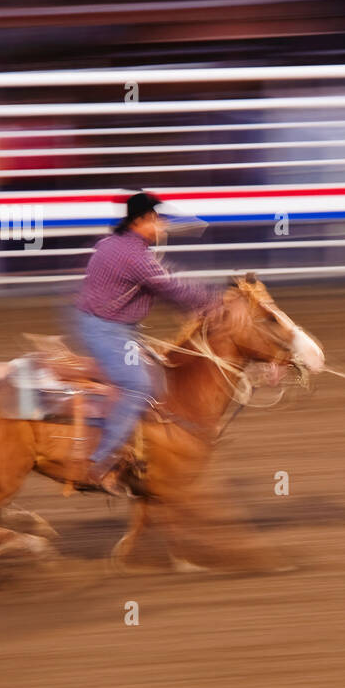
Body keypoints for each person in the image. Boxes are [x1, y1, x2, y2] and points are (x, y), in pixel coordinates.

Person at [73, 191, 214, 494]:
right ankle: (100, 463)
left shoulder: (114, 245)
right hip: (107, 331)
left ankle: (138, 447)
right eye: (157, 219)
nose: (162, 225)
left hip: (110, 327)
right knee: (137, 385)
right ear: (140, 221)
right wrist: (213, 304)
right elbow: (170, 286)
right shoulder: (133, 255)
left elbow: (165, 282)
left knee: (158, 373)